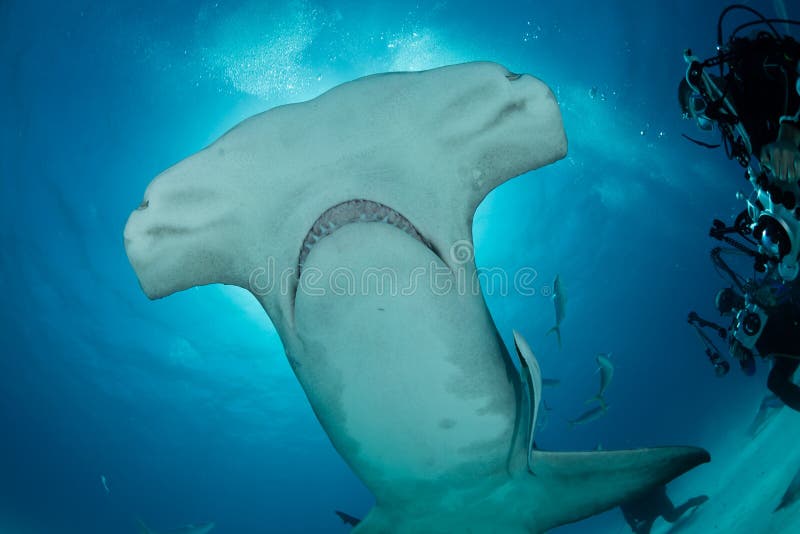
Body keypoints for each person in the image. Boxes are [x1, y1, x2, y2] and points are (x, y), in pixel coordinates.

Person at [679, 29, 800, 181]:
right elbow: (769, 157)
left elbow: (787, 69)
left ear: (708, 79)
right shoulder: (745, 132)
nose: (709, 113)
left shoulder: (744, 67)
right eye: (705, 123)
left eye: (698, 104)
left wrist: (790, 129)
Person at [716, 285, 800, 411]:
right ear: (727, 313)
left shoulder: (756, 293)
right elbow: (750, 370)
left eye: (731, 297)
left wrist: (771, 294)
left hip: (793, 337)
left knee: (774, 382)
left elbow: (788, 289)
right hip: (786, 355)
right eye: (729, 303)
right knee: (774, 382)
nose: (734, 303)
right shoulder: (738, 334)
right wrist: (742, 358)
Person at [619, 484, 708, 534]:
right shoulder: (622, 495)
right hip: (645, 514)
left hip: (658, 502)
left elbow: (658, 485)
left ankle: (691, 502)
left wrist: (661, 491)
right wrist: (633, 526)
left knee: (672, 517)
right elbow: (625, 512)